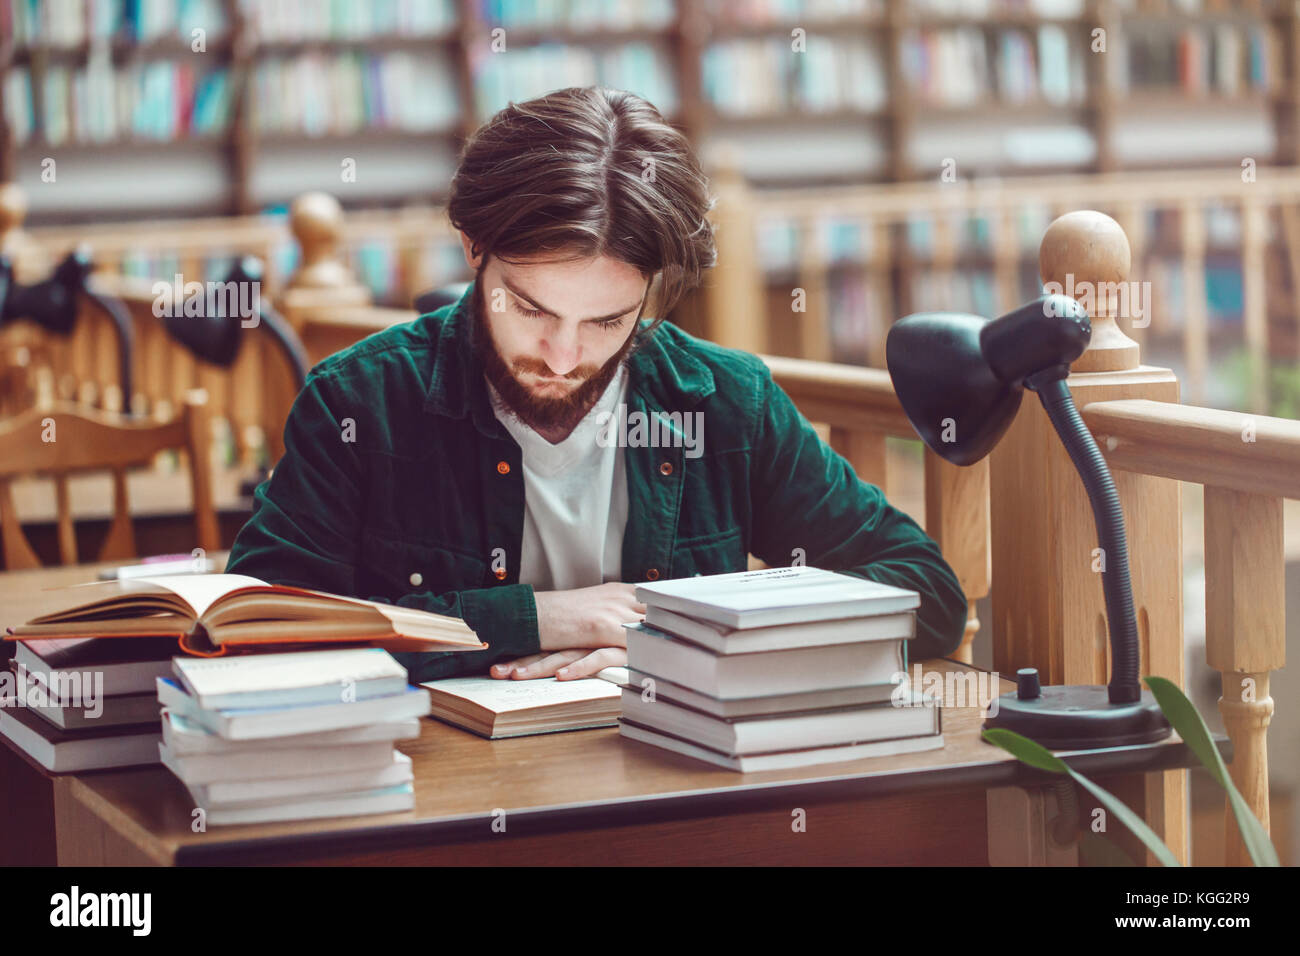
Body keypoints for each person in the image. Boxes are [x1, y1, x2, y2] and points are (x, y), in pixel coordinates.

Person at [224, 86, 967, 683]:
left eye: (608, 321)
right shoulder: (359, 403)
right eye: (530, 308)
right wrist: (544, 617)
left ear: (650, 294)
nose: (561, 355)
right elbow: (260, 632)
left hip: (679, 789)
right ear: (472, 248)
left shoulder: (724, 402)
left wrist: (695, 649)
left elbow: (925, 593)